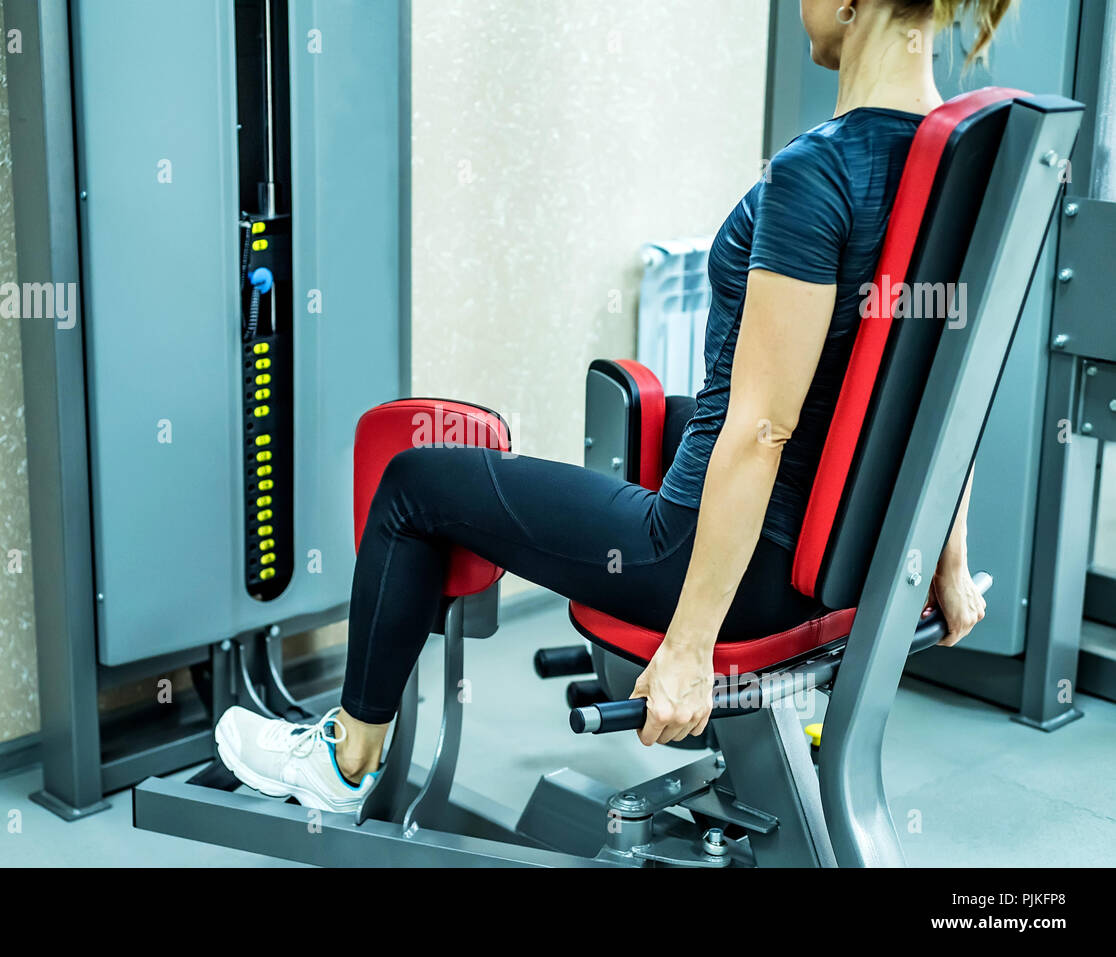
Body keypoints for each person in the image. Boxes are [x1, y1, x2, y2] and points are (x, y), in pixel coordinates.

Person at [214, 0, 1007, 813]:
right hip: (839, 568)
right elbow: (947, 393)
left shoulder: (820, 172)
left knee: (414, 482)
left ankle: (347, 759)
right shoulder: (956, 168)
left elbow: (763, 430)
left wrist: (690, 646)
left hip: (709, 557)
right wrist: (942, 553)